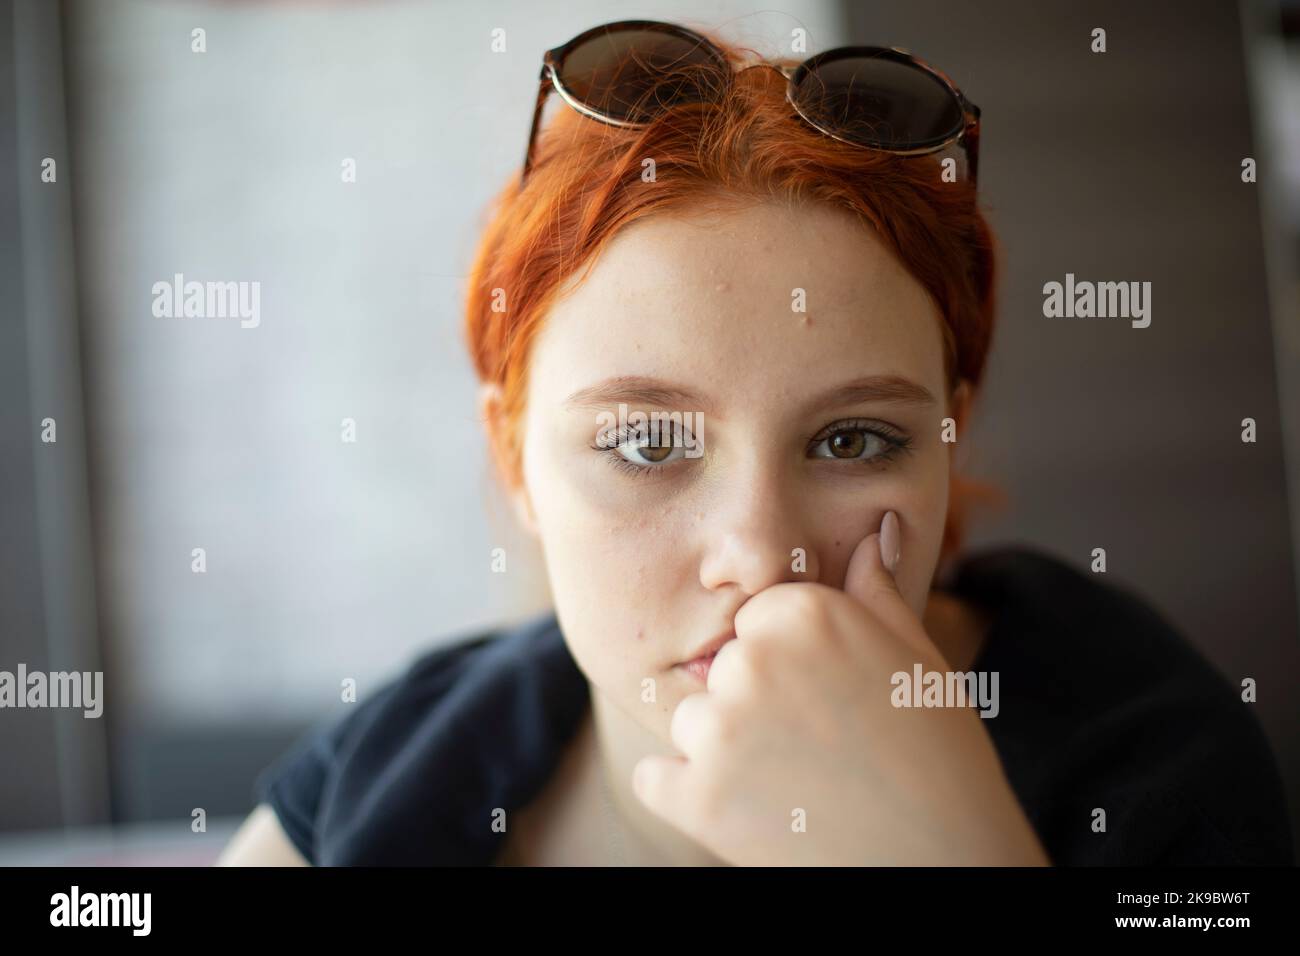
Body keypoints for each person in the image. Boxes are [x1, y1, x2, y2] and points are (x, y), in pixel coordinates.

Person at [218, 22, 1292, 866]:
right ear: (514, 459)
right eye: (644, 442)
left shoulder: (1151, 756)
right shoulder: (396, 765)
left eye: (854, 436)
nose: (761, 553)